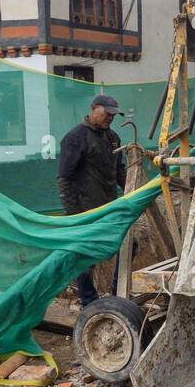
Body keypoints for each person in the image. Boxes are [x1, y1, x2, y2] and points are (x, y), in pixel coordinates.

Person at [58, 94, 130, 307]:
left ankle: (118, 293)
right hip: (85, 211)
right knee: (84, 257)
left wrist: (134, 192)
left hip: (110, 207)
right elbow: (64, 179)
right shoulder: (75, 138)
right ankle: (89, 302)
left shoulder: (113, 137)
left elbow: (120, 172)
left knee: (129, 244)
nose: (111, 118)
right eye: (107, 113)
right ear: (94, 109)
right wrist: (74, 215)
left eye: (114, 115)